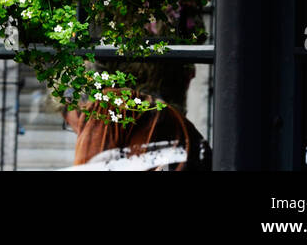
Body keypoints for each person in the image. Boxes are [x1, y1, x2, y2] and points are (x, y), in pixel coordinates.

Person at [67, 59, 211, 171]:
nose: (75, 130)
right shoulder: (128, 107)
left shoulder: (105, 106)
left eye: (67, 122)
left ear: (70, 103)